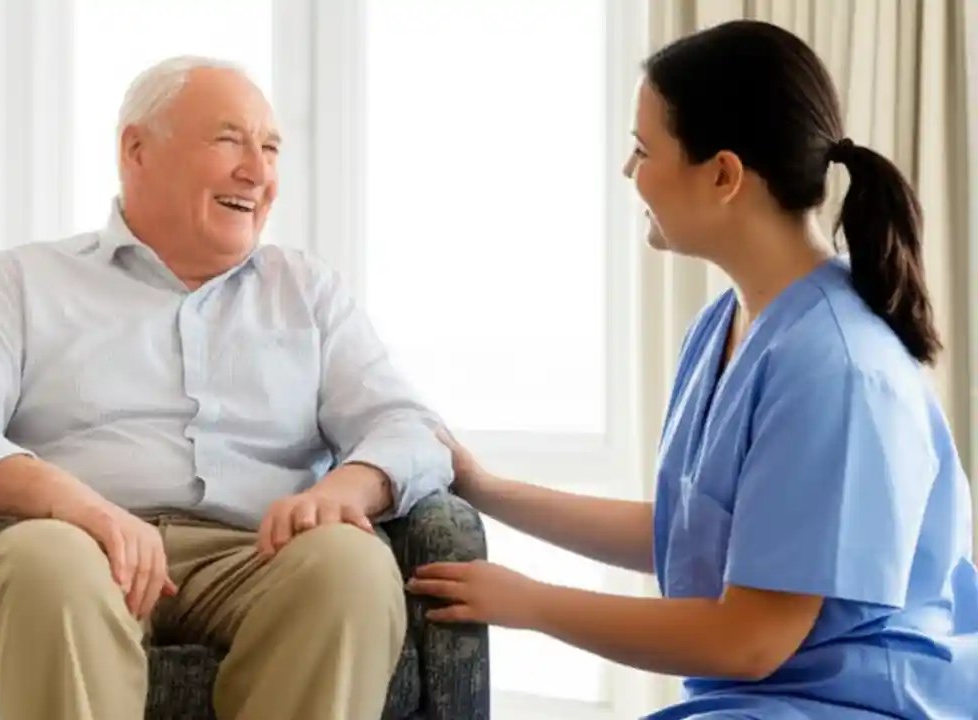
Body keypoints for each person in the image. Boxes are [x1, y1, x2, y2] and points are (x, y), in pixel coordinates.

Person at [408, 20, 978, 719]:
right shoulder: (728, 326)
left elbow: (752, 640)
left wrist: (532, 603)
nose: (628, 172)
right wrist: (484, 487)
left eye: (643, 149)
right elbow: (688, 534)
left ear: (723, 174)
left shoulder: (838, 367)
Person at [0, 56, 450, 720]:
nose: (259, 173)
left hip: (259, 553)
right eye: (230, 140)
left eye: (270, 149)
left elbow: (413, 432)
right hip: (79, 546)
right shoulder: (26, 280)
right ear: (136, 148)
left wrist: (344, 489)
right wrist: (80, 508)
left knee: (352, 568)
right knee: (47, 565)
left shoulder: (308, 291)